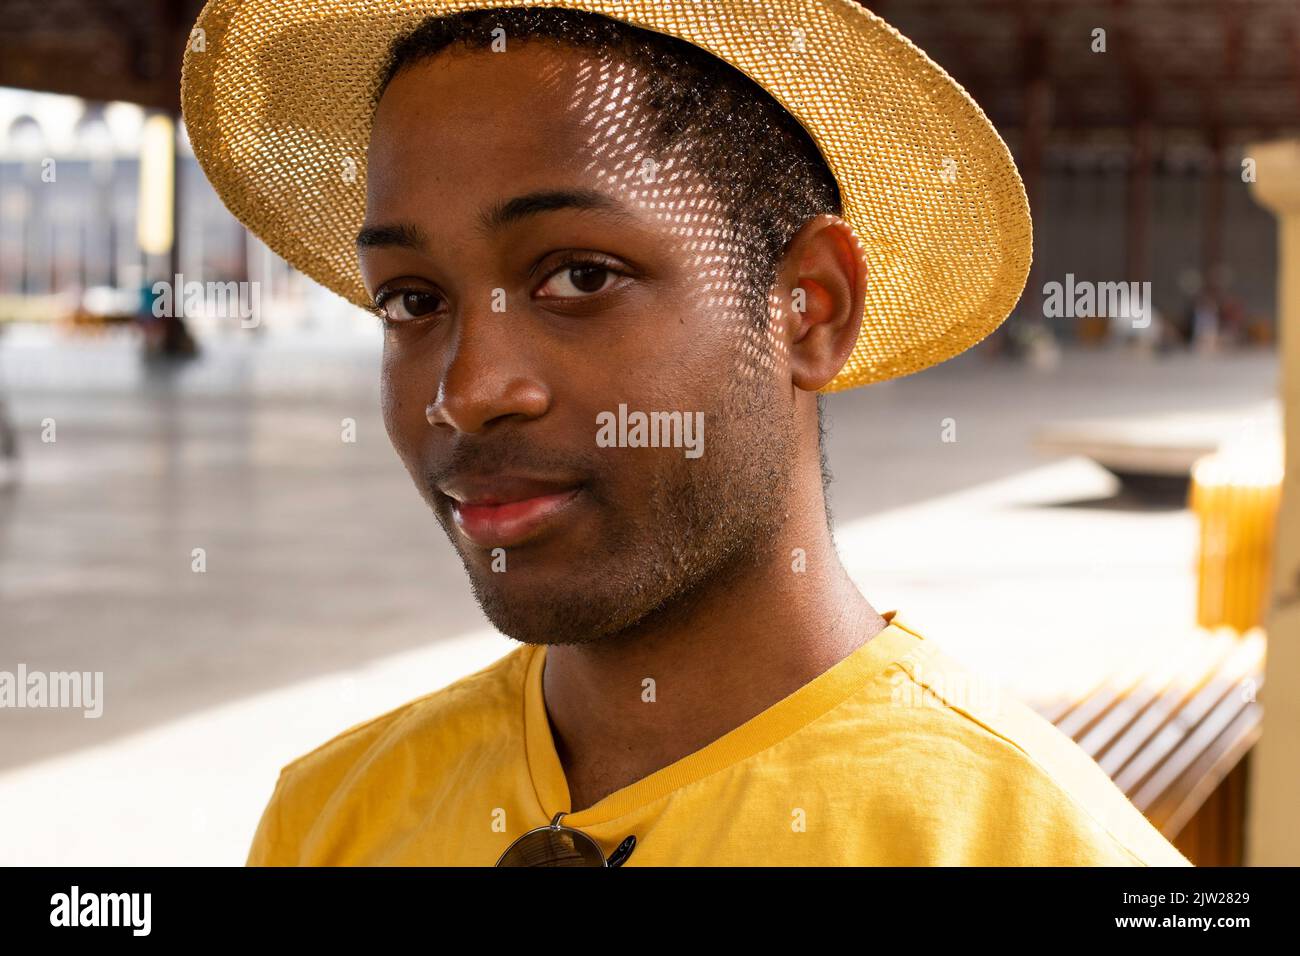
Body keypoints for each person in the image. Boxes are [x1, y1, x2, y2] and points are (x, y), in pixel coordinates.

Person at [183, 0, 1189, 866]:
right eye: (410, 299)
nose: (467, 389)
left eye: (579, 275)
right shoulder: (332, 820)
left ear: (811, 304)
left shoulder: (1032, 845)